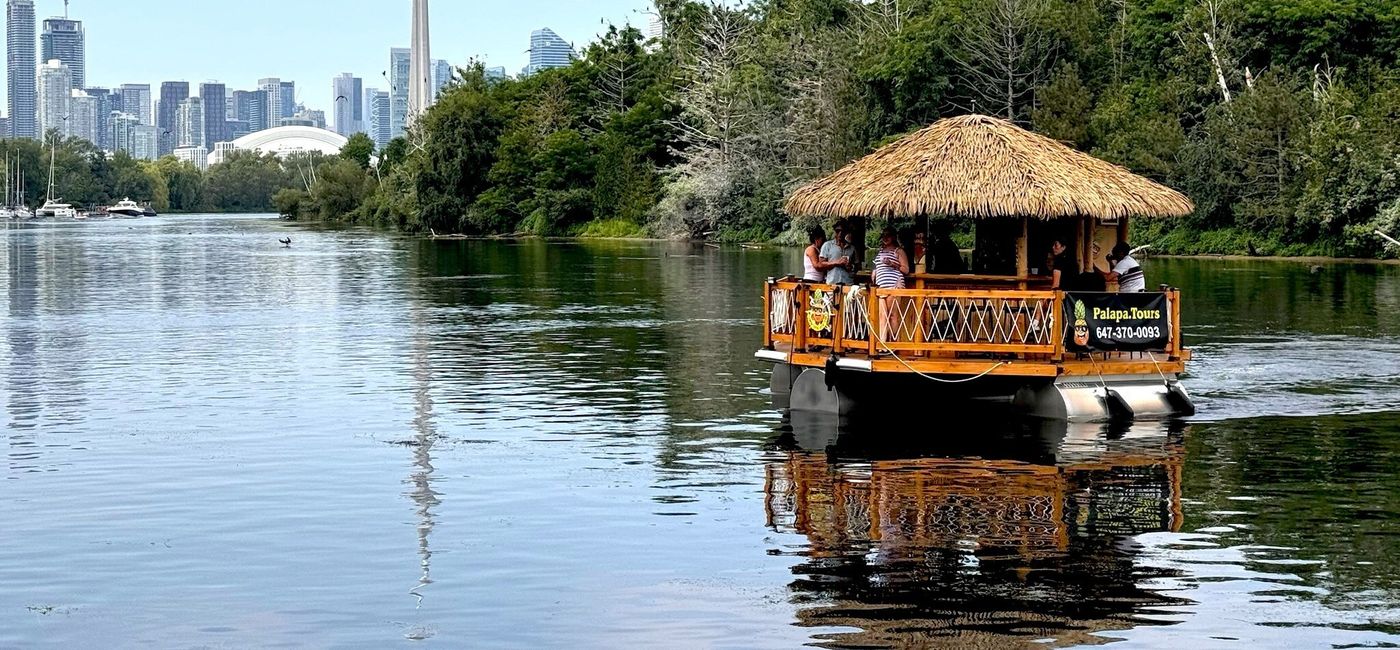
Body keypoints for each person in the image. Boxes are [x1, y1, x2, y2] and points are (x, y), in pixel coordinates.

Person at [874, 227, 911, 342]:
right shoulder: (880, 251)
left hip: (894, 284)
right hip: (881, 285)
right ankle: (883, 343)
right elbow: (878, 266)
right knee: (882, 315)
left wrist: (893, 264)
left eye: (888, 236)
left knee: (892, 315)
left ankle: (893, 343)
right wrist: (874, 272)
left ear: (893, 237)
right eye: (883, 236)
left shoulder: (898, 251)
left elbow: (906, 270)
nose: (885, 238)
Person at [820, 220, 857, 285]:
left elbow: (857, 266)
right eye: (837, 231)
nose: (840, 233)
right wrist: (837, 262)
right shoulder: (827, 245)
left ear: (846, 232)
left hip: (848, 283)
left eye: (842, 231)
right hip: (832, 283)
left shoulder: (852, 248)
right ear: (834, 231)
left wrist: (851, 266)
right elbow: (821, 264)